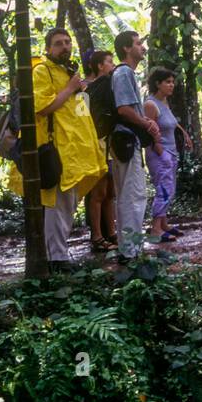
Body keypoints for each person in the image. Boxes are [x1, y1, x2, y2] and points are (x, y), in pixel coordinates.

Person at [14, 28, 107, 271]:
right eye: (58, 43)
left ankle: (58, 253)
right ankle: (57, 257)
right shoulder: (42, 71)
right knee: (57, 203)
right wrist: (69, 89)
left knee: (66, 203)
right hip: (55, 148)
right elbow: (42, 108)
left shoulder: (69, 71)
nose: (64, 47)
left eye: (67, 42)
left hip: (73, 150)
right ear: (48, 48)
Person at [108, 30, 160, 261]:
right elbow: (123, 109)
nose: (142, 47)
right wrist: (146, 123)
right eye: (138, 43)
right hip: (126, 139)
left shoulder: (125, 74)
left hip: (125, 139)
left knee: (130, 194)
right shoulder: (124, 73)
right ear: (127, 48)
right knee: (134, 195)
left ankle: (128, 248)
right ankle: (131, 251)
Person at [143, 66, 192, 243]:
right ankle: (155, 229)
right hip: (159, 154)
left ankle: (164, 224)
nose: (172, 85)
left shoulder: (164, 102)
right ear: (158, 84)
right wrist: (161, 152)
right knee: (164, 190)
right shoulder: (150, 104)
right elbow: (150, 131)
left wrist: (184, 133)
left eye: (172, 82)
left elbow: (169, 121)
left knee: (169, 189)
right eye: (168, 82)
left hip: (171, 152)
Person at [83, 50, 117, 252]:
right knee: (98, 192)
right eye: (109, 62)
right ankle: (96, 235)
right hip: (97, 143)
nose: (112, 65)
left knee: (110, 192)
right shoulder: (89, 88)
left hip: (111, 145)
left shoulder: (109, 85)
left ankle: (111, 232)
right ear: (99, 66)